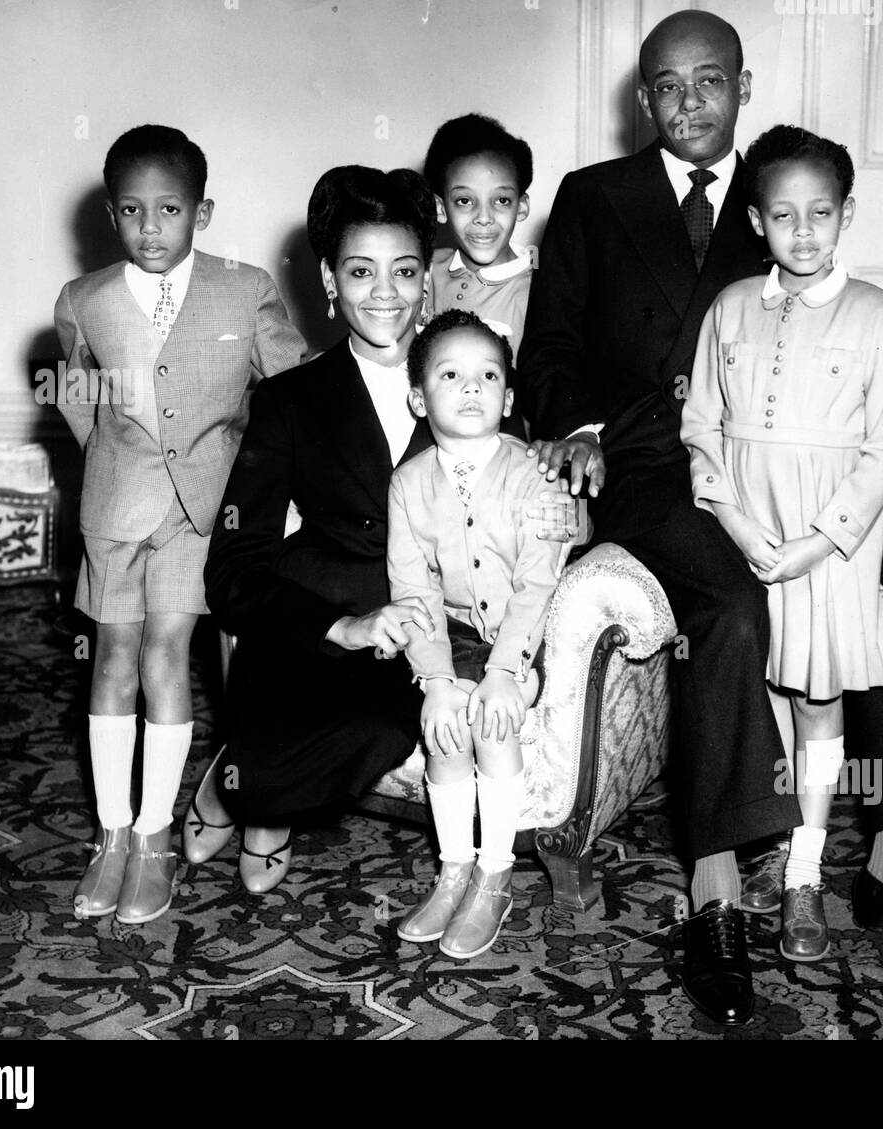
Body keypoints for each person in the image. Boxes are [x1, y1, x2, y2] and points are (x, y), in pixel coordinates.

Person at [519, 11, 883, 1026]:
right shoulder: (592, 198)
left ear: (742, 87)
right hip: (659, 468)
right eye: (665, 87)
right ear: (643, 98)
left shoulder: (783, 191)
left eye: (708, 81)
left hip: (790, 475)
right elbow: (550, 348)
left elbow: (836, 346)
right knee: (731, 608)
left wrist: (862, 489)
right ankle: (713, 888)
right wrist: (578, 426)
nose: (687, 103)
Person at [185, 168, 574, 896]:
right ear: (330, 281)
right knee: (262, 757)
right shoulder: (290, 399)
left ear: (429, 278)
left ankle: (258, 794)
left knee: (391, 724)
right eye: (361, 272)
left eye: (404, 271)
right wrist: (341, 627)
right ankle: (230, 784)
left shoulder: (474, 374)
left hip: (423, 632)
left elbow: (527, 502)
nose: (386, 293)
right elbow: (234, 568)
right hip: (322, 614)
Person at [55, 124, 306, 925]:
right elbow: (74, 391)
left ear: (201, 212)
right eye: (131, 211)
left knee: (167, 653)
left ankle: (156, 835)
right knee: (112, 658)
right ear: (110, 213)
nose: (149, 227)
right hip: (115, 509)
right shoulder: (83, 300)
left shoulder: (245, 288)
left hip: (204, 510)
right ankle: (112, 835)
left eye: (168, 209)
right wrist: (110, 459)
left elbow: (291, 391)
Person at [683, 124, 883, 962]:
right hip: (745, 530)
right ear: (755, 221)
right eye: (785, 215)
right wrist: (743, 528)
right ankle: (765, 842)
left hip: (827, 545)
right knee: (760, 690)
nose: (805, 231)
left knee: (819, 699)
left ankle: (804, 875)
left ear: (847, 213)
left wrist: (815, 545)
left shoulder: (879, 316)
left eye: (822, 212)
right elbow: (701, 428)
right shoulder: (731, 307)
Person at [388, 310, 582, 959]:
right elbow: (413, 591)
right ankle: (454, 870)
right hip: (448, 631)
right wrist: (436, 680)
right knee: (446, 726)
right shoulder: (408, 483)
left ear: (508, 394)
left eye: (488, 375)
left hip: (522, 629)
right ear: (419, 396)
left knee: (493, 722)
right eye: (451, 375)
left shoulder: (535, 473)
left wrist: (504, 672)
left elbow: (537, 583)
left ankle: (495, 872)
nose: (472, 389)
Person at [423, 114, 537, 357]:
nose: (484, 217)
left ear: (522, 206)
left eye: (501, 200)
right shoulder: (424, 270)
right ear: (441, 208)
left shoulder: (540, 291)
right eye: (464, 201)